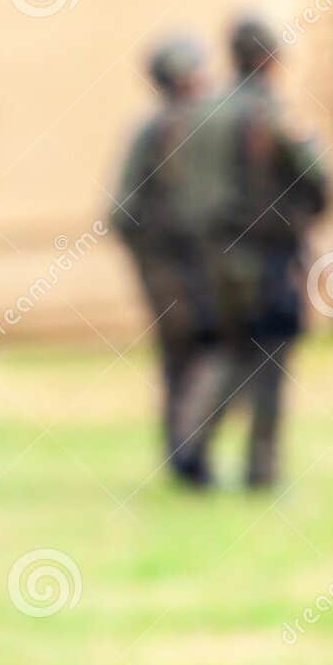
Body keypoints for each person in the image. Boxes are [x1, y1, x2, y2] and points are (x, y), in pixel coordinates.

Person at [172, 16, 329, 489]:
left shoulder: (197, 112)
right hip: (263, 259)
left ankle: (190, 445)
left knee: (225, 350)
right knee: (270, 357)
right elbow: (315, 178)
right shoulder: (269, 113)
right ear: (267, 58)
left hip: (206, 260)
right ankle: (261, 469)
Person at [110, 36, 218, 481]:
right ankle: (186, 457)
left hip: (205, 268)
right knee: (185, 359)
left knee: (204, 359)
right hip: (172, 272)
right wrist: (160, 266)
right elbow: (123, 212)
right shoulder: (155, 133)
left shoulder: (204, 126)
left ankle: (190, 451)